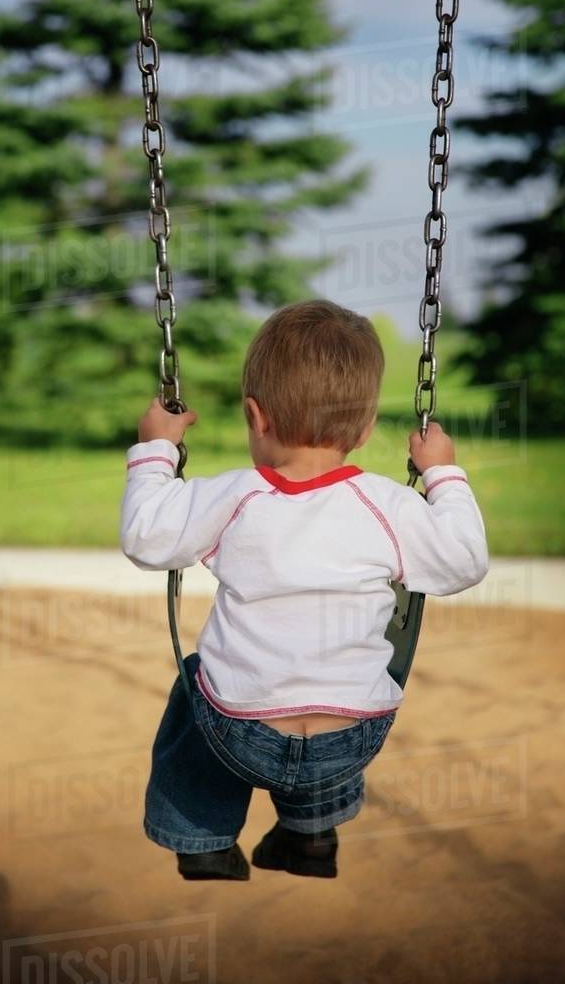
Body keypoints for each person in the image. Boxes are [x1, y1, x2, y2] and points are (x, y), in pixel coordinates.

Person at [120, 300, 489, 880]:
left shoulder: (234, 496)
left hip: (240, 731)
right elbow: (465, 562)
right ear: (366, 429)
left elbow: (146, 539)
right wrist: (442, 473)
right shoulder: (389, 506)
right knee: (339, 687)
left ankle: (202, 840)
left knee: (196, 684)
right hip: (354, 737)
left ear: (255, 416)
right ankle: (311, 837)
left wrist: (156, 450)